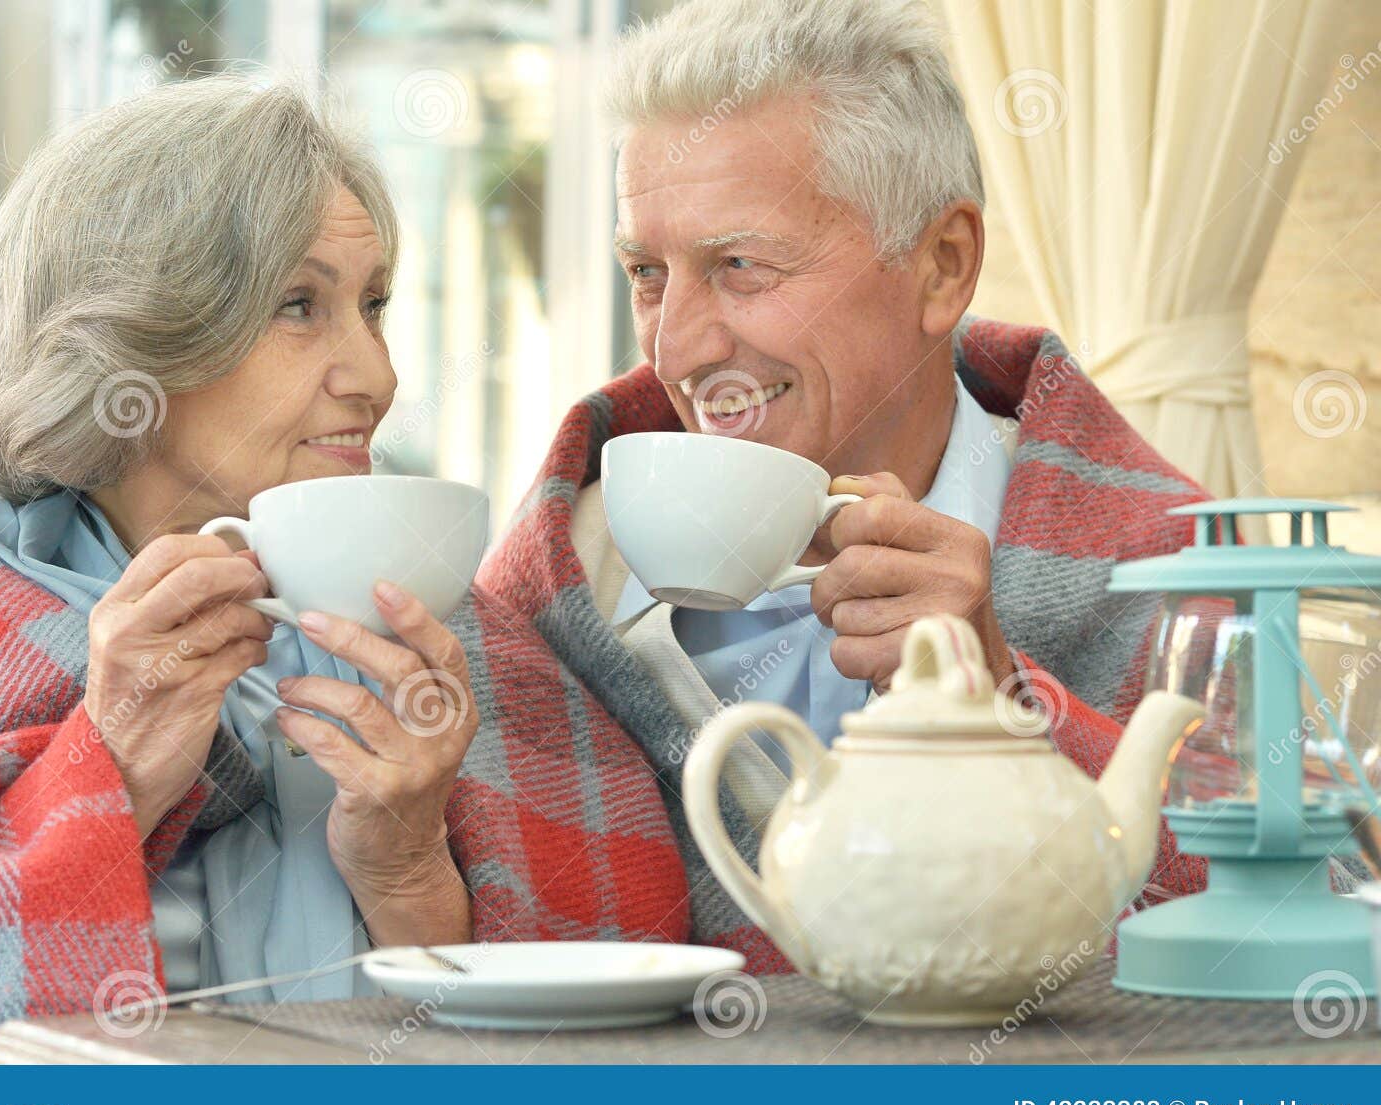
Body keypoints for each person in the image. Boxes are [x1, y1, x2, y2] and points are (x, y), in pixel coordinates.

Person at [0, 75, 687, 1065]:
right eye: (299, 306)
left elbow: (586, 1071)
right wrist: (111, 774)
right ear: (129, 341)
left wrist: (407, 871)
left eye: (373, 305)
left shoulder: (455, 645)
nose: (378, 376)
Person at [480, 0, 1213, 968]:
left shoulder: (1171, 559)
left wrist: (1008, 694)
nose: (675, 350)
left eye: (740, 265)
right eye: (646, 272)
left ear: (943, 267)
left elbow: (1279, 940)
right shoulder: (543, 594)